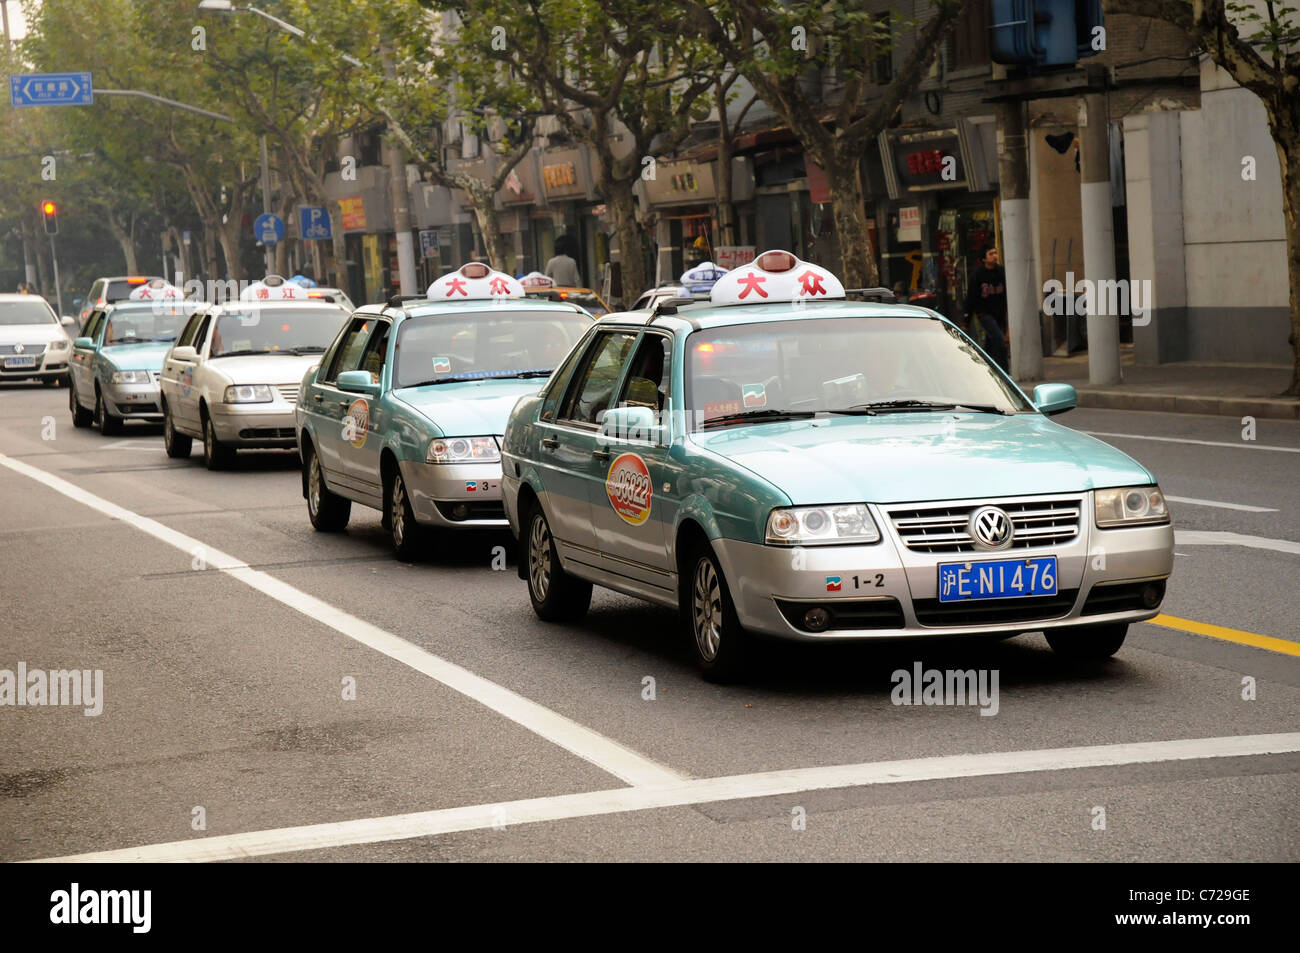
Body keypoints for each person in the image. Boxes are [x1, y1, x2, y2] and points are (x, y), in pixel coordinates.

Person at [964, 246, 1009, 371]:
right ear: (984, 258)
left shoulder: (1001, 272)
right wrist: (966, 319)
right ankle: (1005, 371)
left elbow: (1006, 294)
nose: (995, 256)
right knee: (1000, 340)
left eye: (995, 253)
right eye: (991, 253)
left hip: (999, 314)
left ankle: (985, 367)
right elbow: (971, 297)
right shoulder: (978, 275)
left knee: (991, 344)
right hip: (984, 314)